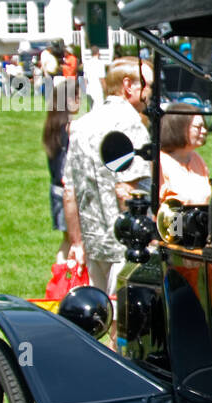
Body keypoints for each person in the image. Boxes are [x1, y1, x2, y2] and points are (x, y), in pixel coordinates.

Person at [62, 56, 153, 299]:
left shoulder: (81, 125)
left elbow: (68, 191)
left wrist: (77, 243)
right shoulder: (131, 124)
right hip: (125, 247)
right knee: (122, 326)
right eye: (148, 86)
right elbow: (129, 191)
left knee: (99, 317)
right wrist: (144, 242)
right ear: (128, 85)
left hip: (92, 243)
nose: (150, 94)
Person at [43, 75, 79, 261]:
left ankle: (60, 276)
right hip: (66, 190)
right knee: (74, 241)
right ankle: (64, 280)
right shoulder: (69, 129)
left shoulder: (53, 126)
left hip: (55, 188)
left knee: (67, 240)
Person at [158, 105, 212, 206]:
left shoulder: (197, 160)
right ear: (179, 128)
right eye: (198, 127)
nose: (204, 131)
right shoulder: (160, 164)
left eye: (204, 126)